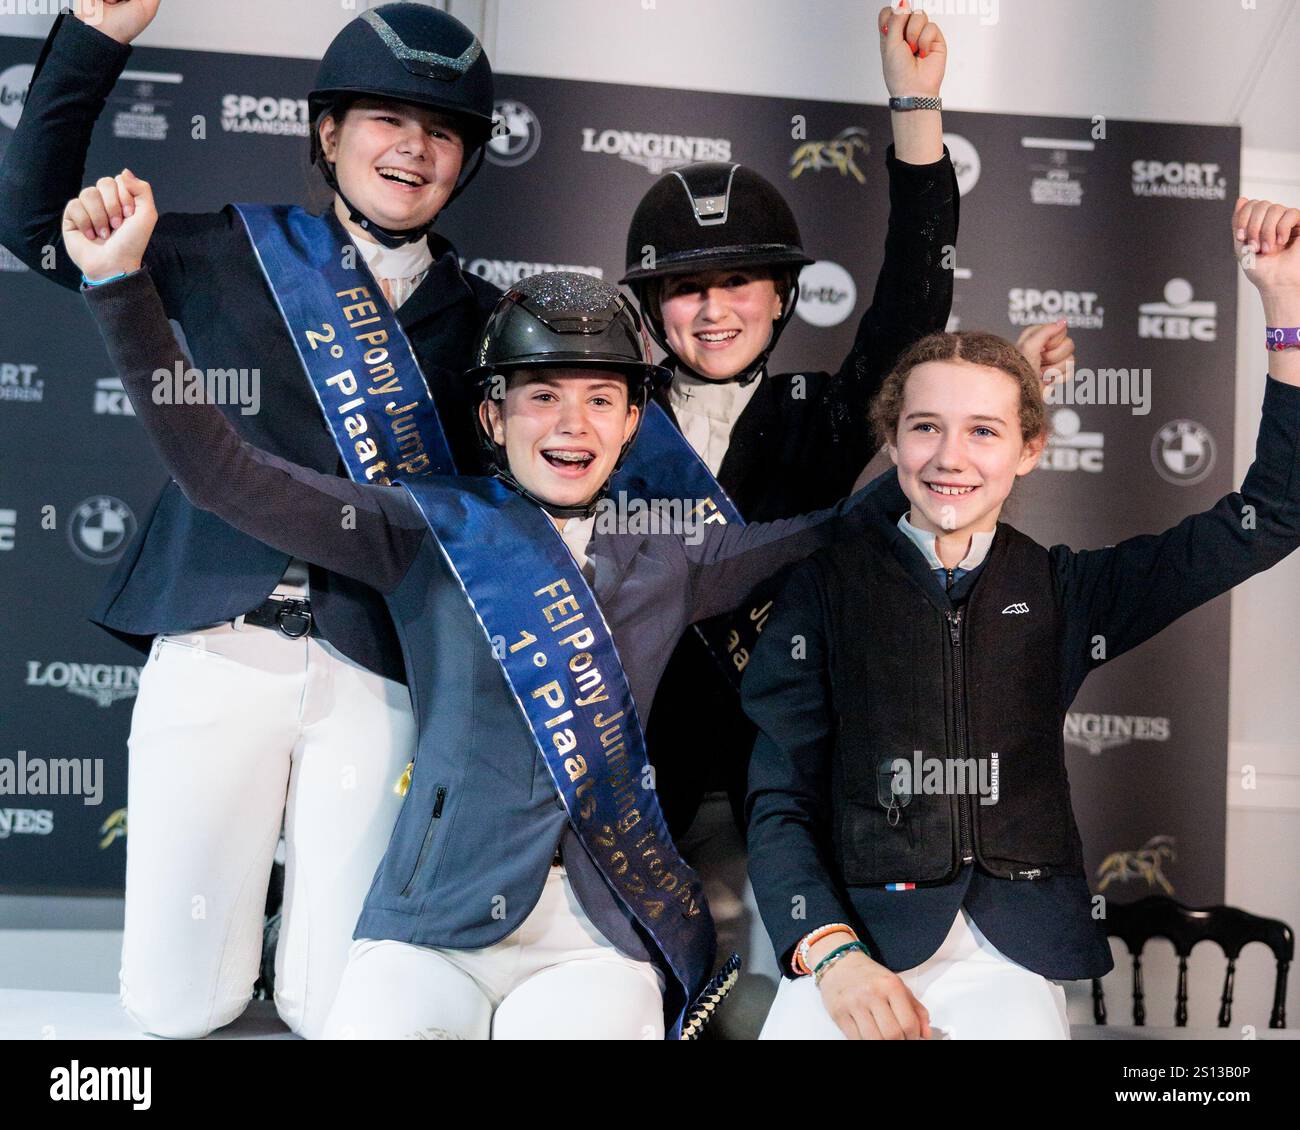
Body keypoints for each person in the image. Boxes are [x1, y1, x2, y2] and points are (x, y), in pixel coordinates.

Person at [62, 166, 916, 1038]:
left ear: (632, 424)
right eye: (541, 396)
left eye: (600, 400)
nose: (571, 424)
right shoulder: (423, 529)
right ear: (491, 419)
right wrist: (120, 287)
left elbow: (833, 530)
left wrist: (953, 454)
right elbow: (222, 473)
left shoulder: (679, 556)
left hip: (597, 937)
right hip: (434, 927)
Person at [0, 1, 501, 1038]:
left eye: (442, 129)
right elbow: (31, 222)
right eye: (385, 118)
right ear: (327, 133)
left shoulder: (491, 321)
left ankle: (291, 942)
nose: (412, 146)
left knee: (336, 1005)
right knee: (177, 1003)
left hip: (377, 664)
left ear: (464, 161)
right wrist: (94, 39)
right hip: (220, 639)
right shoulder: (239, 250)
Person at [617, 1, 1072, 1035]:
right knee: (628, 997)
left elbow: (911, 297)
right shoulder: (600, 420)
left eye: (738, 281)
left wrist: (915, 109)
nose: (714, 307)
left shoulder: (815, 413)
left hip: (792, 764)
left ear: (781, 297)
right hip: (638, 763)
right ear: (649, 308)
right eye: (684, 288)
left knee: (781, 1005)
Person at [742, 196, 1300, 1039]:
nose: (951, 457)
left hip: (1017, 956)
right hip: (854, 949)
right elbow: (778, 798)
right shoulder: (824, 589)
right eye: (925, 428)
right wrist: (834, 955)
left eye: (984, 432)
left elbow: (1277, 513)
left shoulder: (1070, 592)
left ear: (1030, 449)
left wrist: (1286, 307)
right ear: (892, 444)